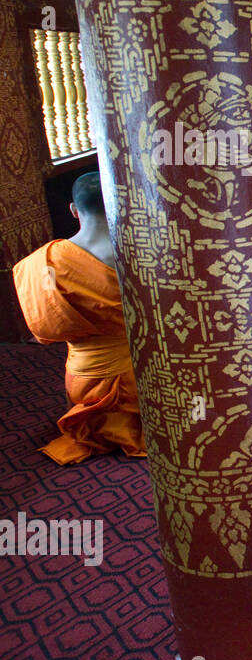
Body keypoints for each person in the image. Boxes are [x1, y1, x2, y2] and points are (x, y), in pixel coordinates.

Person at [11, 172, 145, 464]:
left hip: (84, 379)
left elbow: (46, 332)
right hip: (141, 375)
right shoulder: (139, 254)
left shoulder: (48, 263)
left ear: (73, 210)